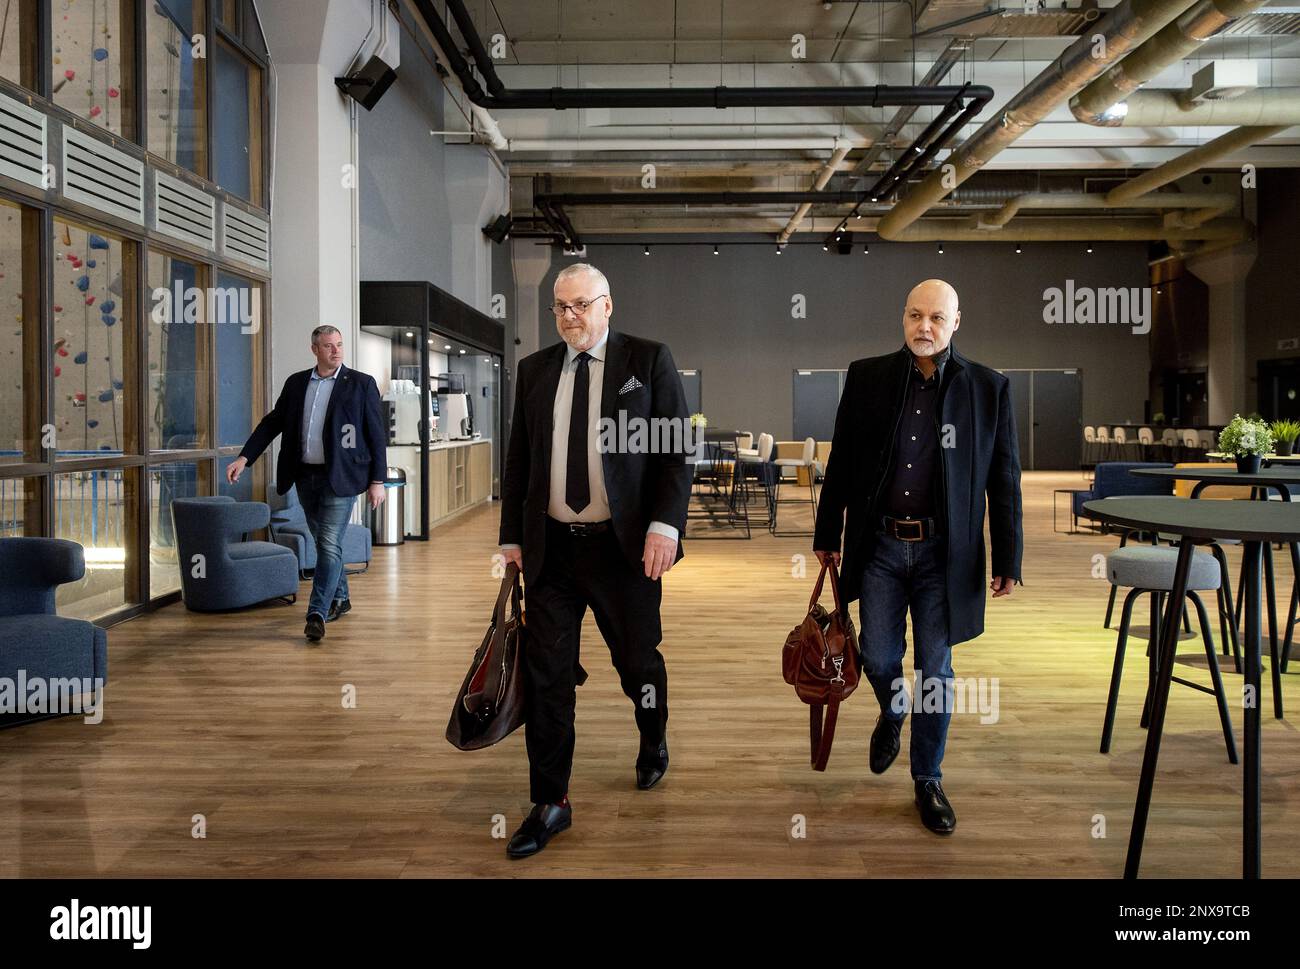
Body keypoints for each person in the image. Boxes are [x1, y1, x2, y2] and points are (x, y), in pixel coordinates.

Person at [813, 279, 1022, 835]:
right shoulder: (867, 378)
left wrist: (1009, 556)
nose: (923, 327)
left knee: (937, 670)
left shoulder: (988, 388)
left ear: (956, 322)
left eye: (935, 317)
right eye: (913, 315)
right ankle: (893, 708)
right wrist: (826, 532)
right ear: (903, 319)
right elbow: (842, 462)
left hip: (944, 557)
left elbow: (1004, 479)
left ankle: (927, 778)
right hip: (879, 546)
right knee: (879, 660)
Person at [498, 262, 693, 859]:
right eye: (560, 308)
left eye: (581, 305)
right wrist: (511, 538)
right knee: (547, 675)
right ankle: (551, 801)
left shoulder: (647, 360)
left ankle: (652, 736)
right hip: (551, 551)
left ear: (608, 305)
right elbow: (519, 462)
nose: (570, 318)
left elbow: (677, 449)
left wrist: (664, 525)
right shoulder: (534, 371)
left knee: (638, 663)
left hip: (623, 548)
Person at [226, 324, 387, 643]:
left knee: (327, 543)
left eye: (339, 344)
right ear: (315, 349)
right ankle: (340, 597)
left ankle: (317, 611)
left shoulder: (361, 384)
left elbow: (376, 434)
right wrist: (245, 458)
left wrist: (377, 480)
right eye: (328, 346)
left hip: (340, 478)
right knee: (327, 544)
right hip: (305, 476)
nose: (336, 350)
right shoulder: (297, 383)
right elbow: (272, 423)